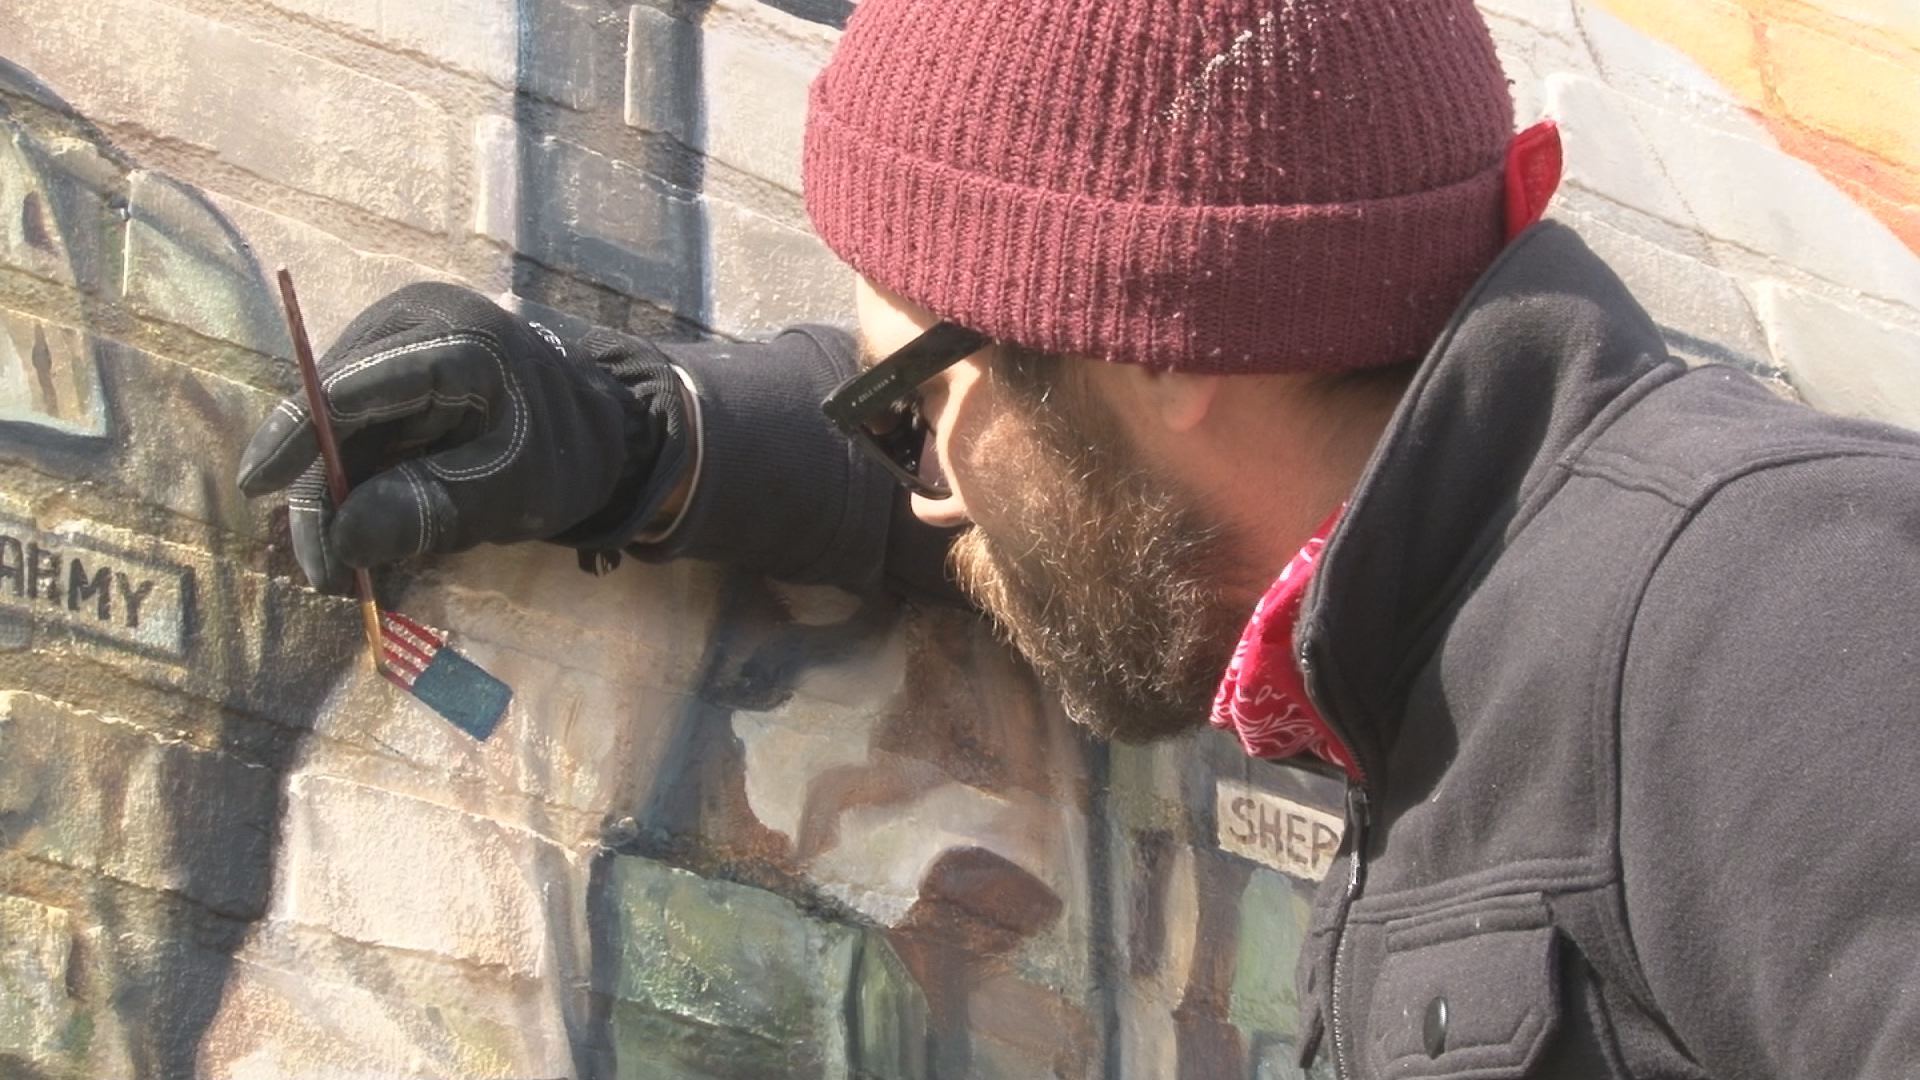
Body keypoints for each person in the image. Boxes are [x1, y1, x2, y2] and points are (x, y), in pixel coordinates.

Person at [237, 0, 1920, 1075]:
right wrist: (630, 436)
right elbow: (1074, 512)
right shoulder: (1485, 629)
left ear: (1161, 349)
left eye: (911, 413)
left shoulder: (1780, 622)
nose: (919, 493)